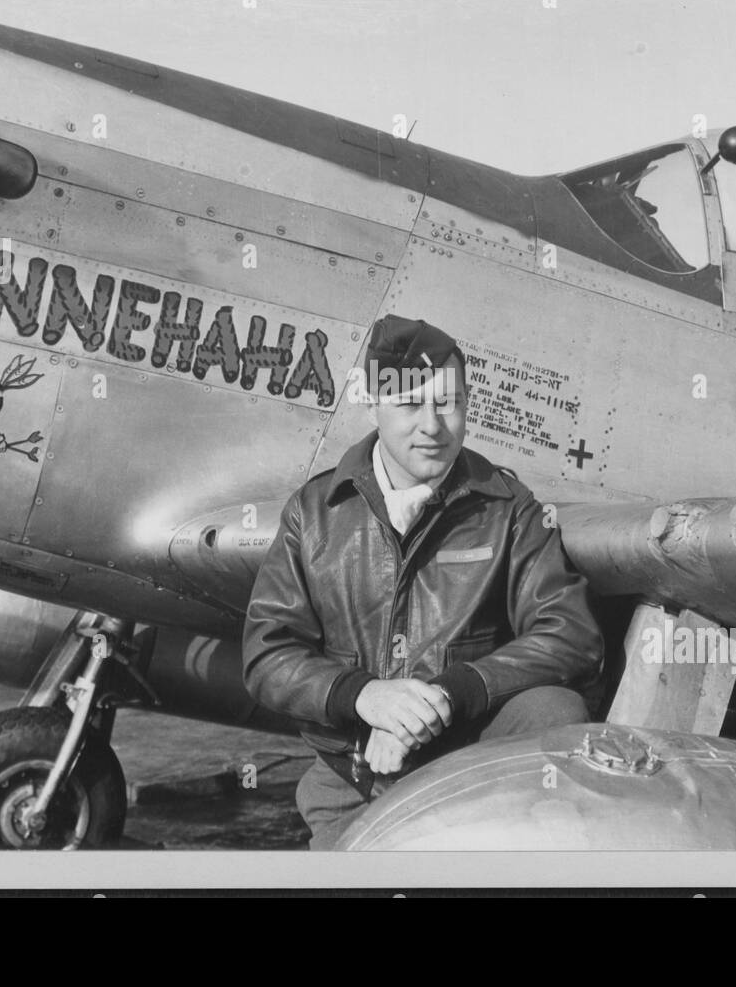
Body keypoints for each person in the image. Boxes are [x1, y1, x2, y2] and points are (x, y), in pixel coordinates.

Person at [243, 314, 604, 849]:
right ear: (373, 405)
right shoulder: (314, 512)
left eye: (449, 403)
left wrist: (445, 696)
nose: (433, 425)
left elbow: (570, 633)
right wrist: (366, 699)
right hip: (356, 768)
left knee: (556, 711)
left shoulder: (510, 508)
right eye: (411, 403)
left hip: (468, 760)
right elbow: (266, 653)